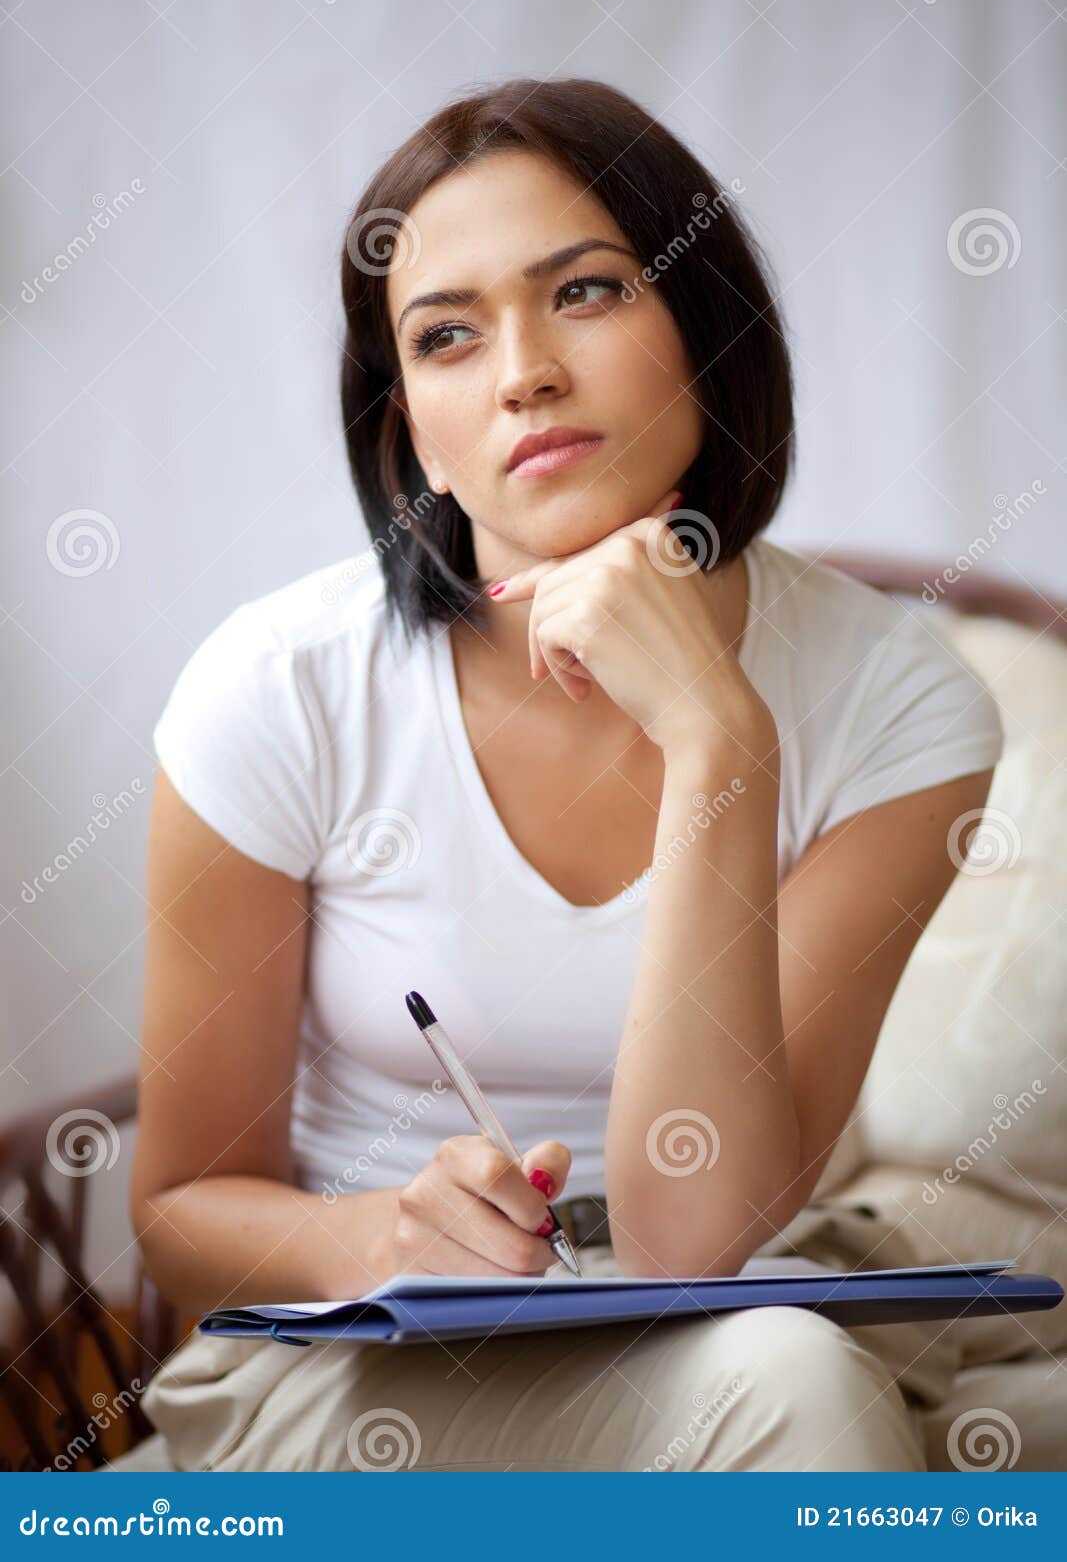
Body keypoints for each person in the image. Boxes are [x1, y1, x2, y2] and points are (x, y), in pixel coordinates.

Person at [129, 77, 1003, 1472]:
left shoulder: (903, 701)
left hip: (721, 1322)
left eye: (584, 292)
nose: (522, 369)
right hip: (371, 1350)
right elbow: (178, 1204)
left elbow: (691, 1234)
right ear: (409, 425)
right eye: (447, 336)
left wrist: (721, 739)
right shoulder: (279, 687)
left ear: (705, 329)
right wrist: (381, 1231)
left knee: (787, 1373)